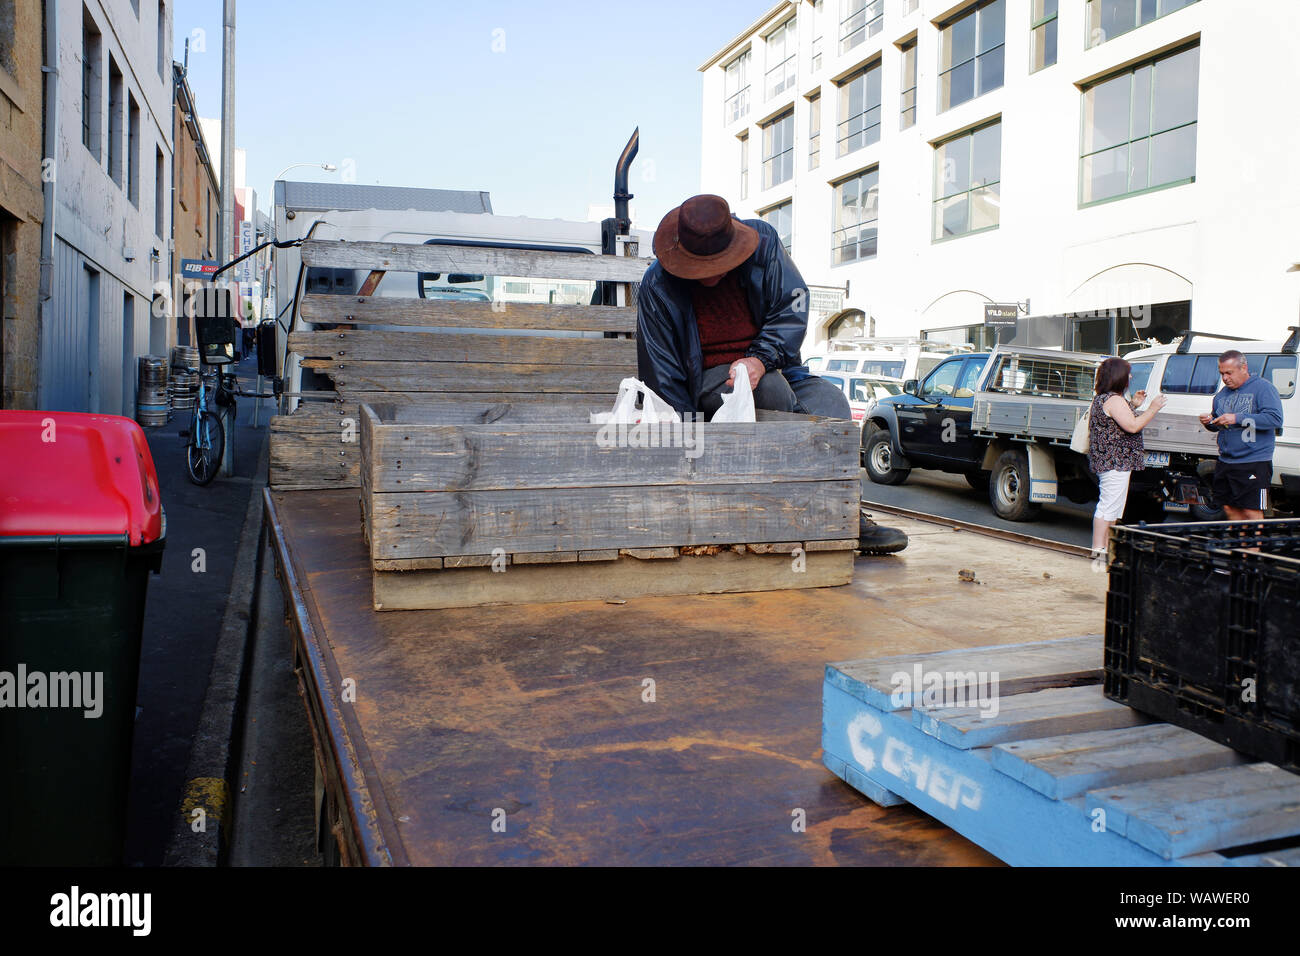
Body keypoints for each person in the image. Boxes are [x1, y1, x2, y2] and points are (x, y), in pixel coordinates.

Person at [637, 193, 906, 554]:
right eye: (700, 266)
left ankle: (845, 511)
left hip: (773, 366)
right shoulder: (656, 285)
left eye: (718, 263)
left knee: (831, 402)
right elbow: (663, 373)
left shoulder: (763, 243)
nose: (710, 274)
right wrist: (686, 456)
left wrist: (760, 359)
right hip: (706, 385)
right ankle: (795, 510)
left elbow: (791, 305)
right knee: (772, 392)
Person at [1088, 357, 1166, 556]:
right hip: (1115, 461)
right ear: (1119, 376)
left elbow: (1119, 421)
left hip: (1110, 460)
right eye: (1128, 373)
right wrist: (1152, 408)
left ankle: (1104, 550)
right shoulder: (1114, 400)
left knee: (1112, 507)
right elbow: (1132, 426)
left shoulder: (1103, 398)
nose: (1130, 376)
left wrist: (1133, 404)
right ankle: (1099, 551)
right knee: (1108, 507)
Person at [1198, 350, 1284, 520]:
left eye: (1229, 373)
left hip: (1254, 461)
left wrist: (1238, 418)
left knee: (1251, 511)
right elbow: (1219, 425)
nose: (1224, 378)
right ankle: (1239, 544)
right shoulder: (1221, 395)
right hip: (1226, 461)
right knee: (1229, 507)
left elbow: (1275, 419)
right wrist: (1210, 422)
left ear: (1243, 368)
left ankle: (1252, 548)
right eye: (1222, 373)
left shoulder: (1263, 388)